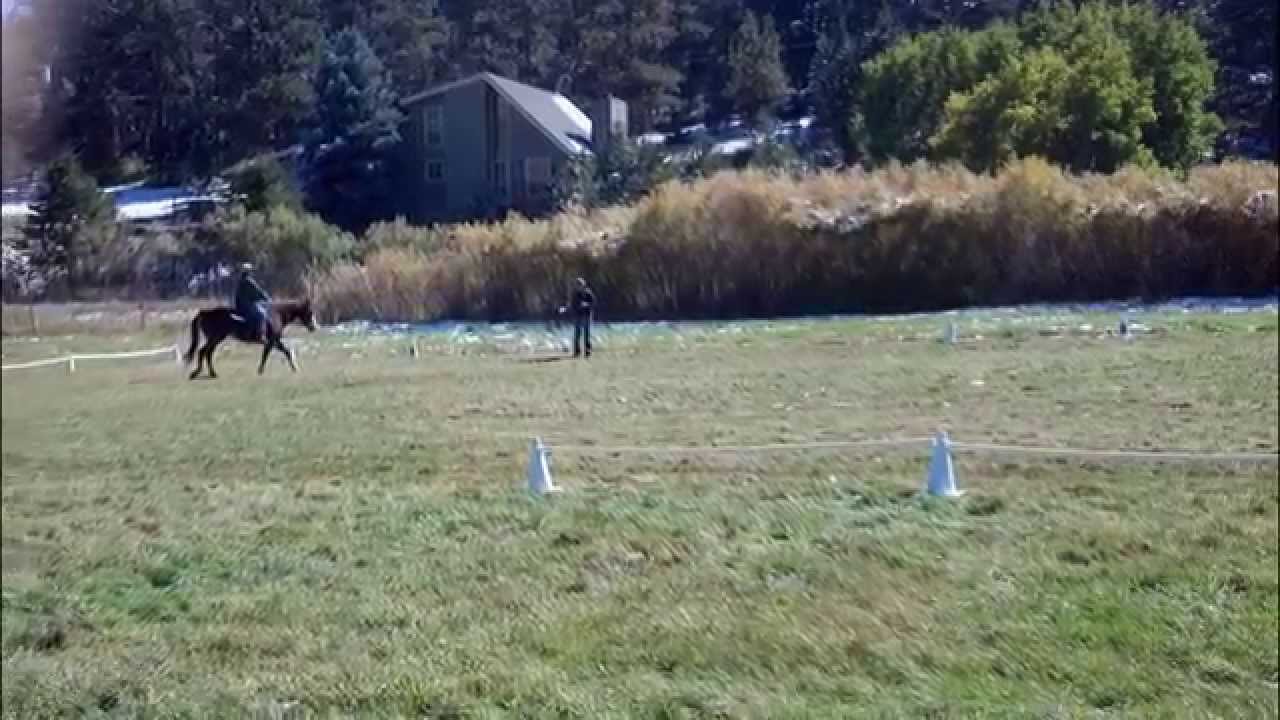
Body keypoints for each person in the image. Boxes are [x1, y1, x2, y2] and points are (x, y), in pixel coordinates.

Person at [233, 262, 271, 340]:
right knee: (262, 315)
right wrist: (266, 298)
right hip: (247, 304)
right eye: (250, 271)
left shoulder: (241, 280)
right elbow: (258, 291)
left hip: (241, 304)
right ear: (249, 271)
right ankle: (260, 335)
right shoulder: (248, 281)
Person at [570, 276, 595, 358]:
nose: (578, 286)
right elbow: (572, 304)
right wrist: (577, 306)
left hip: (587, 316)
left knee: (586, 335)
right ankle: (577, 352)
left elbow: (593, 303)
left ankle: (587, 352)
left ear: (583, 285)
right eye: (577, 285)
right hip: (578, 316)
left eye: (580, 284)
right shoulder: (575, 294)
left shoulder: (588, 293)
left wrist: (586, 304)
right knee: (577, 334)